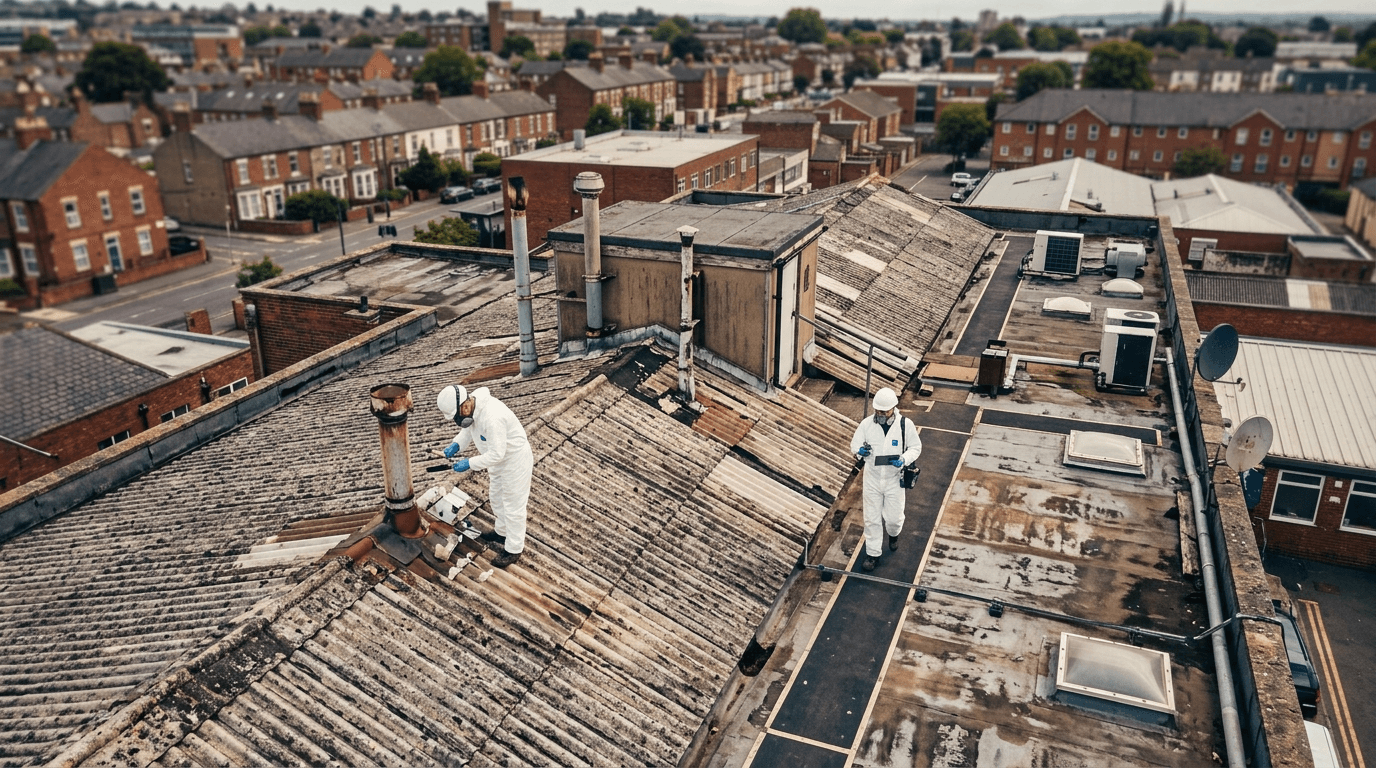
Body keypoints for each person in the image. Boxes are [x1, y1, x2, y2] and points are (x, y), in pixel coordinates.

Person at [438, 384, 533, 569]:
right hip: (498, 463)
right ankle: (502, 532)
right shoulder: (473, 409)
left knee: (513, 506)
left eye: (457, 417)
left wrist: (469, 463)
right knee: (496, 499)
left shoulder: (492, 417)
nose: (459, 421)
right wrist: (456, 444)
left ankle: (514, 549)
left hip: (514, 461)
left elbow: (497, 454)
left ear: (465, 405)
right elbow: (467, 430)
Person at [849, 387, 922, 572]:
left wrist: (904, 459)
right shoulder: (866, 425)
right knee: (871, 519)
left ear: (893, 408)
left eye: (884, 411)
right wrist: (859, 451)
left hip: (894, 480)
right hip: (872, 479)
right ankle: (873, 554)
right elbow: (855, 444)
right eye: (878, 411)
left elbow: (915, 447)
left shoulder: (905, 426)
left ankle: (894, 534)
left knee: (894, 518)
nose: (880, 414)